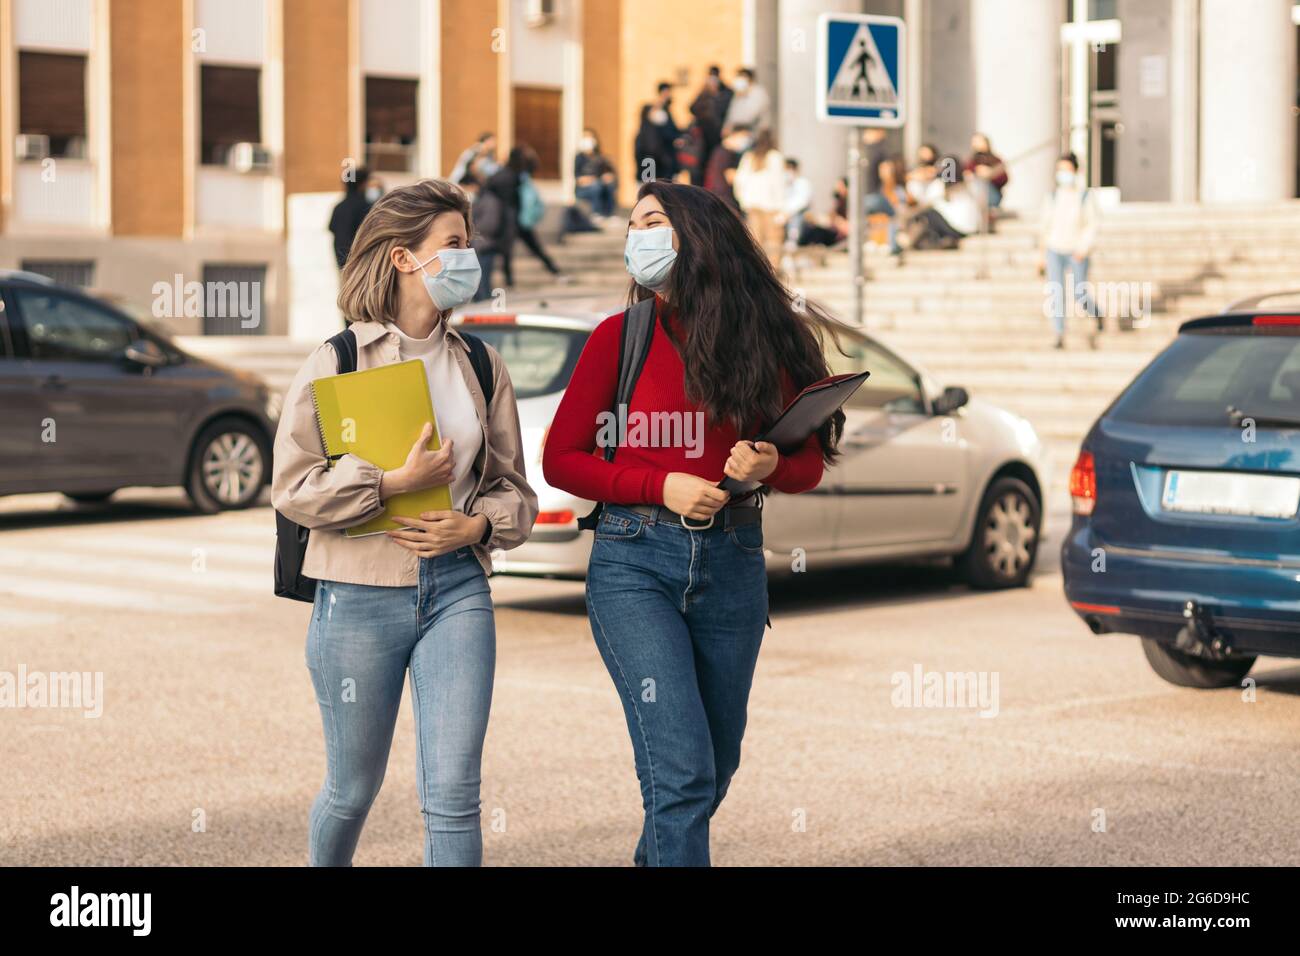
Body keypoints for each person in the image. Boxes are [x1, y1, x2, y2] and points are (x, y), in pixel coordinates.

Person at [541, 180, 844, 867]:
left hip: (733, 561)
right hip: (632, 563)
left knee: (714, 768)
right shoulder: (620, 337)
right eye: (631, 225)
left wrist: (770, 464)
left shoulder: (769, 336)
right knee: (680, 778)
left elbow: (809, 464)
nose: (635, 237)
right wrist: (659, 484)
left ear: (697, 234)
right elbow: (561, 459)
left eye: (651, 221)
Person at [272, 178, 538, 867]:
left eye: (469, 244)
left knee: (453, 794)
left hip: (458, 593)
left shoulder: (481, 364)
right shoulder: (336, 360)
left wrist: (477, 528)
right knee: (353, 789)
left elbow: (517, 493)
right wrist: (391, 484)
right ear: (402, 258)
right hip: (357, 597)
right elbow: (293, 487)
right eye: (453, 243)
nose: (467, 257)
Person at [1039, 152, 1101, 350]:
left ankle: (1096, 312)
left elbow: (1092, 224)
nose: (1063, 174)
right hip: (1054, 249)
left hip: (1076, 250)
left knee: (1079, 292)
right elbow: (1044, 226)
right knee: (1056, 293)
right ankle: (1059, 333)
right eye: (1060, 170)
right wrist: (1041, 254)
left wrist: (1083, 247)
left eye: (1066, 170)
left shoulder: (1084, 196)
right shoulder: (1052, 196)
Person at [486, 145, 564, 284]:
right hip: (510, 220)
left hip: (511, 219)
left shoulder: (507, 175)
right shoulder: (510, 177)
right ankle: (554, 271)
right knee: (514, 250)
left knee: (512, 251)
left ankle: (511, 280)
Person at [733, 129, 787, 270]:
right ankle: (773, 274)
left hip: (752, 205)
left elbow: (739, 180)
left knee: (756, 243)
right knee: (774, 243)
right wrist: (782, 207)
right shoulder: (775, 157)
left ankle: (758, 273)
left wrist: (742, 200)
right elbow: (779, 183)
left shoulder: (749, 157)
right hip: (771, 206)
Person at [902, 155, 980, 250]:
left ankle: (909, 239)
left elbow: (923, 206)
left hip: (957, 228)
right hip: (972, 228)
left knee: (927, 215)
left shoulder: (939, 185)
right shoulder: (969, 183)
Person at [459, 174, 508, 301]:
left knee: (483, 284)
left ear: (473, 186)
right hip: (476, 248)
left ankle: (485, 311)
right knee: (475, 285)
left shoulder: (490, 201)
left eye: (465, 189)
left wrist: (468, 228)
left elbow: (490, 225)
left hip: (485, 248)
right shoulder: (476, 201)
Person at [327, 166, 374, 269]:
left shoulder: (338, 207)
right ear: (361, 185)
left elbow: (331, 228)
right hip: (362, 265)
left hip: (342, 264)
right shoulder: (366, 207)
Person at [702, 125, 752, 209]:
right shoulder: (726, 154)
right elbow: (730, 176)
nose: (746, 141)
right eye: (744, 136)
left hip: (720, 197)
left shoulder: (720, 151)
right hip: (724, 199)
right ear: (734, 135)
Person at [963, 132, 1008, 221]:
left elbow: (1004, 179)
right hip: (976, 195)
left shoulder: (995, 160)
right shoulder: (971, 161)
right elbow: (966, 175)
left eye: (979, 141)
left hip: (992, 194)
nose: (976, 144)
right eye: (974, 142)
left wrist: (990, 174)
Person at [574, 128, 618, 220]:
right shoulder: (579, 158)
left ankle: (610, 214)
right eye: (584, 137)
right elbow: (578, 179)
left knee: (609, 184)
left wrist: (608, 176)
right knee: (596, 185)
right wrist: (589, 180)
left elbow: (610, 172)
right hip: (584, 189)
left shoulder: (600, 157)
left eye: (589, 137)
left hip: (600, 184)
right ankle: (596, 213)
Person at [722, 67, 771, 134]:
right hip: (740, 133)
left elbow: (749, 116)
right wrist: (728, 126)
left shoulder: (758, 93)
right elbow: (732, 113)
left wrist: (733, 125)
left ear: (749, 79)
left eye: (742, 78)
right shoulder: (739, 94)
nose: (739, 81)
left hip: (756, 134)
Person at [778, 157, 813, 246]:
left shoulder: (803, 183)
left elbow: (802, 202)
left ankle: (792, 241)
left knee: (797, 216)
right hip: (783, 215)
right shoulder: (783, 184)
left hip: (798, 216)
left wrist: (787, 213)